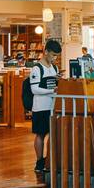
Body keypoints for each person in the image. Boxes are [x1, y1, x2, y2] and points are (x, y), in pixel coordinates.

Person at [29, 38, 61, 177]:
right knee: (40, 134)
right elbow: (34, 89)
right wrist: (52, 91)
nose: (54, 58)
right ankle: (39, 161)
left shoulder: (54, 68)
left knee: (52, 134)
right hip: (40, 107)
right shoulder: (36, 68)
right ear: (45, 51)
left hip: (52, 106)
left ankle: (49, 161)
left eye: (56, 56)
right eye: (53, 55)